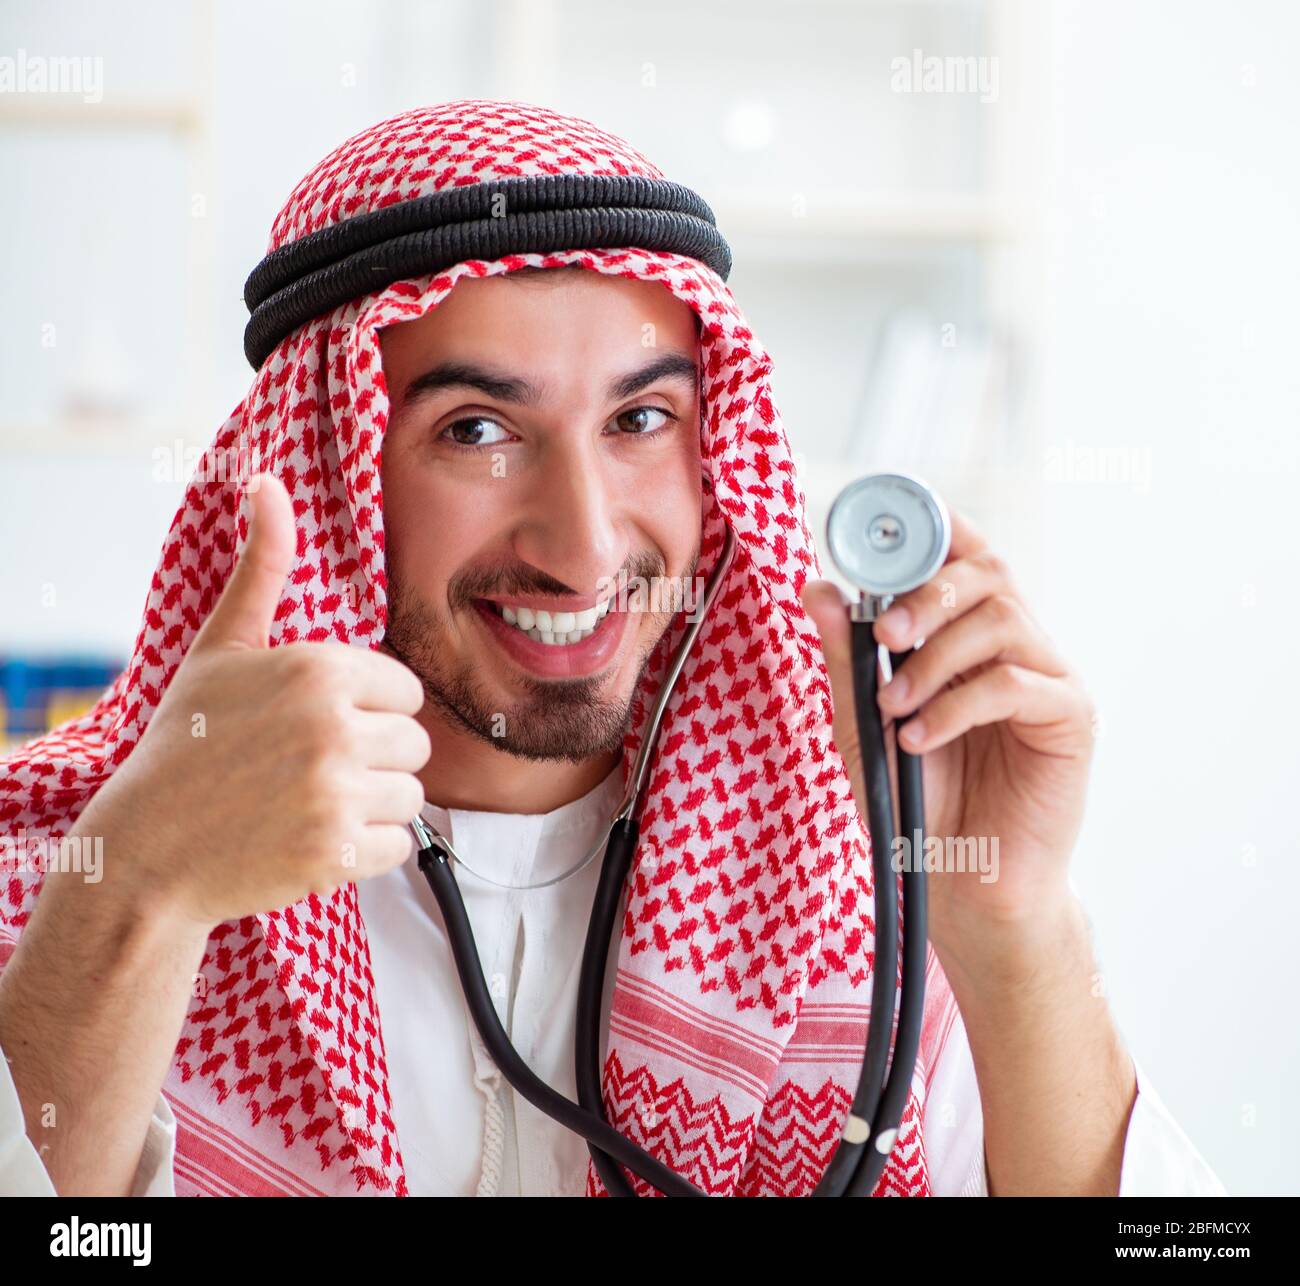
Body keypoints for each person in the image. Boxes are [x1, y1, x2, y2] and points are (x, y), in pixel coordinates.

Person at [0, 100, 1224, 1198]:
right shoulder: (65, 873)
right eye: (477, 429)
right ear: (329, 472)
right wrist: (139, 891)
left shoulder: (856, 887)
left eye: (641, 418)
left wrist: (1012, 928)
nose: (583, 546)